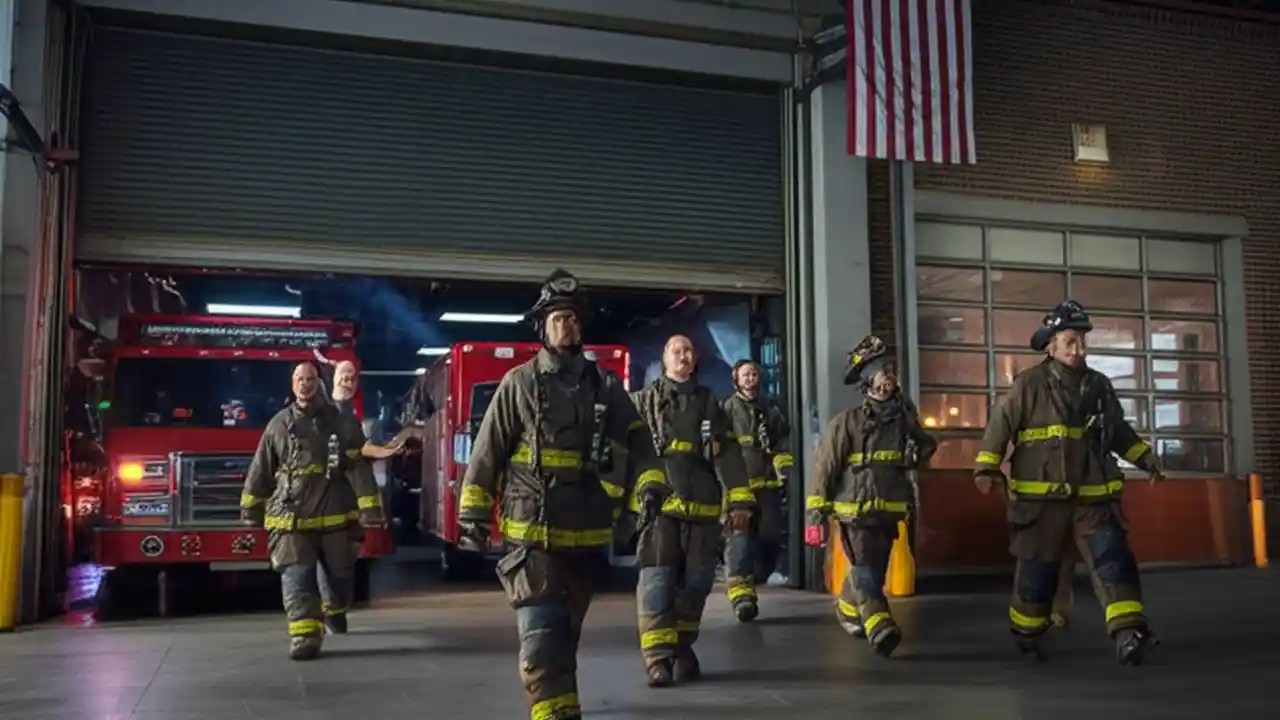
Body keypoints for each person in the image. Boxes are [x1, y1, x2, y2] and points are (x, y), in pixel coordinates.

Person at [456, 269, 665, 720]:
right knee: (540, 637)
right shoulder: (520, 384)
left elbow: (640, 442)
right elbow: (487, 451)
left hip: (585, 538)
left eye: (573, 319)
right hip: (530, 539)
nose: (566, 326)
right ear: (542, 328)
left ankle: (562, 708)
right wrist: (471, 514)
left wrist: (648, 489)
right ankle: (552, 713)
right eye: (557, 319)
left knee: (563, 636)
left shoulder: (605, 387)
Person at [973, 299, 1164, 665]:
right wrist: (987, 468)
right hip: (1040, 504)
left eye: (1082, 341)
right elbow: (1000, 426)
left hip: (1093, 498)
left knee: (1113, 561)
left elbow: (1118, 432)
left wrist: (1146, 458)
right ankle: (1027, 633)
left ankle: (1128, 632)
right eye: (1070, 342)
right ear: (1051, 345)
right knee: (1037, 574)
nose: (1079, 349)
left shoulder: (1099, 385)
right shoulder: (1029, 385)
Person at [239, 361, 385, 660]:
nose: (304, 384)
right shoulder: (278, 425)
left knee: (340, 577)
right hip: (290, 518)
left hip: (336, 517)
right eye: (298, 379)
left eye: (309, 379)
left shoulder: (341, 422)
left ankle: (335, 608)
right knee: (297, 575)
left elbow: (357, 466)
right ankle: (305, 636)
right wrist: (251, 509)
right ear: (292, 385)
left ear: (319, 383)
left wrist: (370, 508)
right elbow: (261, 469)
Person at [629, 334, 753, 685]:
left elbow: (728, 455)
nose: (683, 356)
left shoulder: (710, 404)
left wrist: (740, 501)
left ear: (694, 360)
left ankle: (681, 646)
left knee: (697, 585)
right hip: (659, 513)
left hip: (702, 511)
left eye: (688, 351)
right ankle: (657, 660)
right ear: (663, 359)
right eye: (676, 351)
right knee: (657, 581)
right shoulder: (643, 402)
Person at [804, 335, 935, 658]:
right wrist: (816, 510)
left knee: (873, 569)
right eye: (881, 372)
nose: (888, 378)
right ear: (868, 381)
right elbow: (826, 467)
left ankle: (849, 609)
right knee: (864, 567)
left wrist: (916, 452)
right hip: (855, 511)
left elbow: (927, 444)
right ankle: (880, 625)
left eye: (890, 371)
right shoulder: (846, 423)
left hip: (889, 509)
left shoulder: (904, 419)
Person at [721, 358, 794, 621]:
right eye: (745, 374)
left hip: (768, 487)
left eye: (753, 374)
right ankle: (742, 597)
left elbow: (782, 443)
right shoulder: (727, 409)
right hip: (739, 488)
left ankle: (757, 577)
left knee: (769, 537)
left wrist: (784, 472)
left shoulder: (770, 409)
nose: (750, 378)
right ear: (736, 379)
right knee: (739, 540)